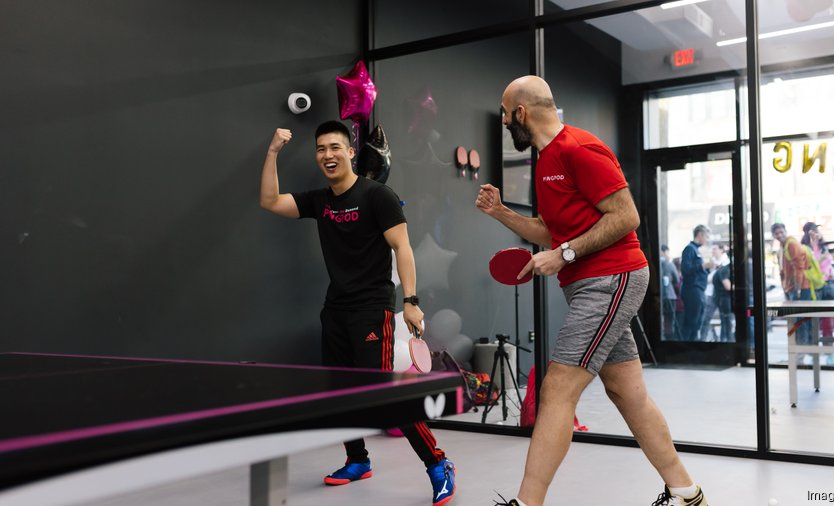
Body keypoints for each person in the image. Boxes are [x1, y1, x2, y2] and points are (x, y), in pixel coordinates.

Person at [477, 76, 707, 506]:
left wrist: (563, 254)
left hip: (613, 279)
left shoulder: (580, 148)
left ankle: (527, 503)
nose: (506, 123)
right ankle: (687, 494)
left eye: (507, 115)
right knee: (628, 393)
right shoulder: (544, 162)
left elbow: (626, 216)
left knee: (558, 387)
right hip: (589, 284)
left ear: (521, 113)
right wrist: (502, 213)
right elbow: (550, 231)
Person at [259, 121, 456, 505]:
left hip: (372, 310)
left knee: (383, 395)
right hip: (335, 310)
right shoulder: (320, 201)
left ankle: (439, 464)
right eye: (320, 149)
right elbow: (270, 201)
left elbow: (403, 248)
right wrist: (272, 153)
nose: (327, 155)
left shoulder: (377, 196)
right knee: (341, 392)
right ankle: (357, 460)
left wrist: (411, 302)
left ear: (350, 152)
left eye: (335, 147)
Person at [772, 222, 813, 346]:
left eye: (781, 232)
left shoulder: (791, 244)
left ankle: (802, 350)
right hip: (792, 288)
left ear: (785, 231)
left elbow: (799, 268)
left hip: (799, 288)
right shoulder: (783, 246)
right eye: (776, 233)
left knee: (800, 321)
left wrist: (798, 289)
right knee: (796, 320)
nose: (779, 235)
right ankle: (798, 350)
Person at [801, 222, 834, 338]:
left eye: (818, 231)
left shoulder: (823, 246)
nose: (817, 234)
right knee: (814, 319)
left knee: (828, 319)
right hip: (815, 287)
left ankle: (829, 349)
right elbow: (808, 268)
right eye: (814, 231)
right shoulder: (805, 249)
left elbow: (829, 264)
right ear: (808, 233)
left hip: (827, 284)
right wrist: (821, 260)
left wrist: (832, 272)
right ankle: (813, 349)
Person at [680, 225, 711, 342]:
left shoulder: (696, 250)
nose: (707, 239)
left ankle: (692, 347)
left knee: (697, 322)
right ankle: (686, 349)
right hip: (692, 290)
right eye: (706, 236)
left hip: (698, 290)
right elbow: (685, 269)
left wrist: (706, 268)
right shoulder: (689, 249)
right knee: (691, 322)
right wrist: (702, 266)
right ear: (700, 235)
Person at [699, 244, 728, 342]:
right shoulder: (711, 263)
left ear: (721, 250)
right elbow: (706, 278)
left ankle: (724, 340)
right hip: (711, 294)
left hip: (722, 294)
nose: (713, 251)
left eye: (715, 249)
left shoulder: (726, 262)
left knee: (725, 319)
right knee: (706, 318)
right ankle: (702, 339)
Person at [711, 252, 734, 342]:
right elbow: (727, 286)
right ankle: (727, 340)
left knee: (725, 322)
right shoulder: (726, 269)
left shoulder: (725, 269)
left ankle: (725, 340)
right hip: (725, 299)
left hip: (723, 299)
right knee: (727, 322)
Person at [660, 245, 680, 340]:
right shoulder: (669, 264)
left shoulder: (655, 263)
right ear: (665, 252)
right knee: (670, 320)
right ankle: (670, 338)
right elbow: (676, 280)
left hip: (658, 296)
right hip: (669, 295)